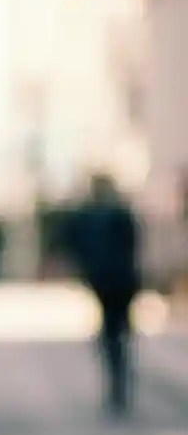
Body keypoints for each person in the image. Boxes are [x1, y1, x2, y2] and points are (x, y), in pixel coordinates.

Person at [66, 173, 142, 417]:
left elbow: (75, 244)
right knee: (117, 330)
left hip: (104, 280)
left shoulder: (88, 216)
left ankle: (117, 380)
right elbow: (133, 245)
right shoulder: (119, 214)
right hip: (121, 280)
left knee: (110, 332)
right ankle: (120, 380)